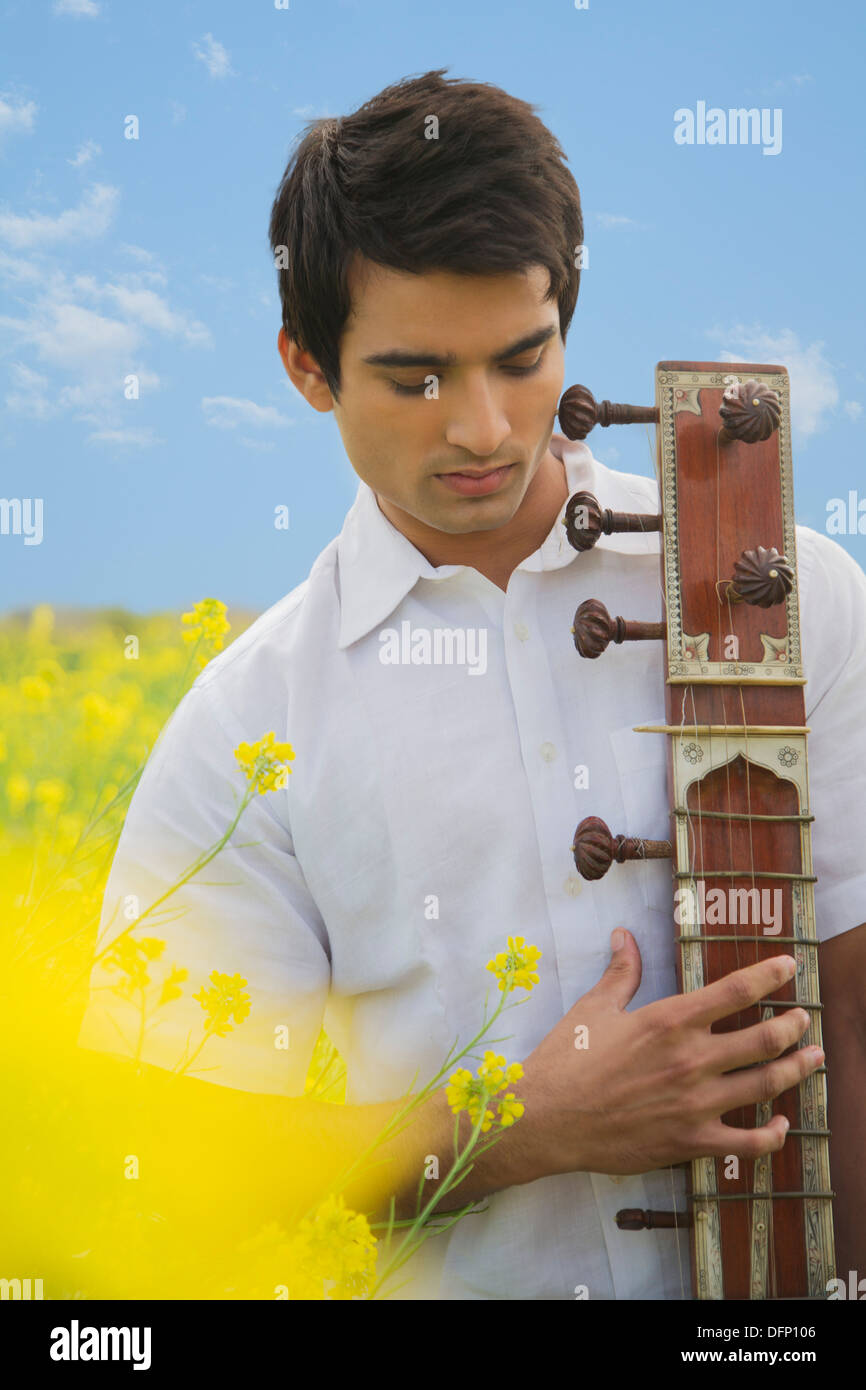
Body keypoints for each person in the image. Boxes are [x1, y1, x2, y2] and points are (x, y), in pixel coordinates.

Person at [78, 68, 866, 1300]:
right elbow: (170, 1164)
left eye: (523, 356)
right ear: (305, 367)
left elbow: (856, 1023)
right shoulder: (245, 730)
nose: (487, 429)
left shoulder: (782, 590)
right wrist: (513, 1129)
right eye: (415, 377)